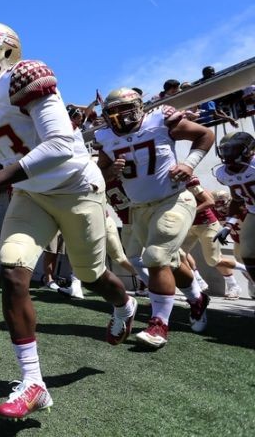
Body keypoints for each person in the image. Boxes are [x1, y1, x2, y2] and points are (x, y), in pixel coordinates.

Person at [0, 22, 136, 419]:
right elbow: (6, 151)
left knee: (91, 275)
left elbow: (59, 145)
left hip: (75, 186)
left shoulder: (25, 75)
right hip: (31, 193)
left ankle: (125, 304)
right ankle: (34, 382)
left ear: (4, 52)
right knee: (14, 272)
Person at [95, 87, 214, 349]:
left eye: (123, 110)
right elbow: (100, 174)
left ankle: (159, 323)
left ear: (139, 107)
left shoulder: (159, 120)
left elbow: (205, 134)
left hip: (173, 200)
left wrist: (189, 163)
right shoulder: (105, 137)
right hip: (139, 207)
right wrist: (109, 171)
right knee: (163, 261)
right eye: (112, 112)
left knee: (157, 257)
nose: (118, 117)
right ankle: (196, 297)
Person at [181, 176, 247, 299]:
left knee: (215, 260)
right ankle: (197, 285)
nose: (221, 208)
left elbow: (208, 204)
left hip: (246, 239)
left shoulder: (241, 210)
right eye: (218, 204)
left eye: (223, 203)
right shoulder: (215, 211)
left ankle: (241, 282)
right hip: (234, 239)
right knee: (178, 254)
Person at [212, 132, 255, 291]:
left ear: (248, 149)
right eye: (225, 150)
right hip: (253, 211)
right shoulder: (223, 173)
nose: (228, 154)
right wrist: (228, 225)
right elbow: (237, 199)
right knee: (247, 253)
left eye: (234, 149)